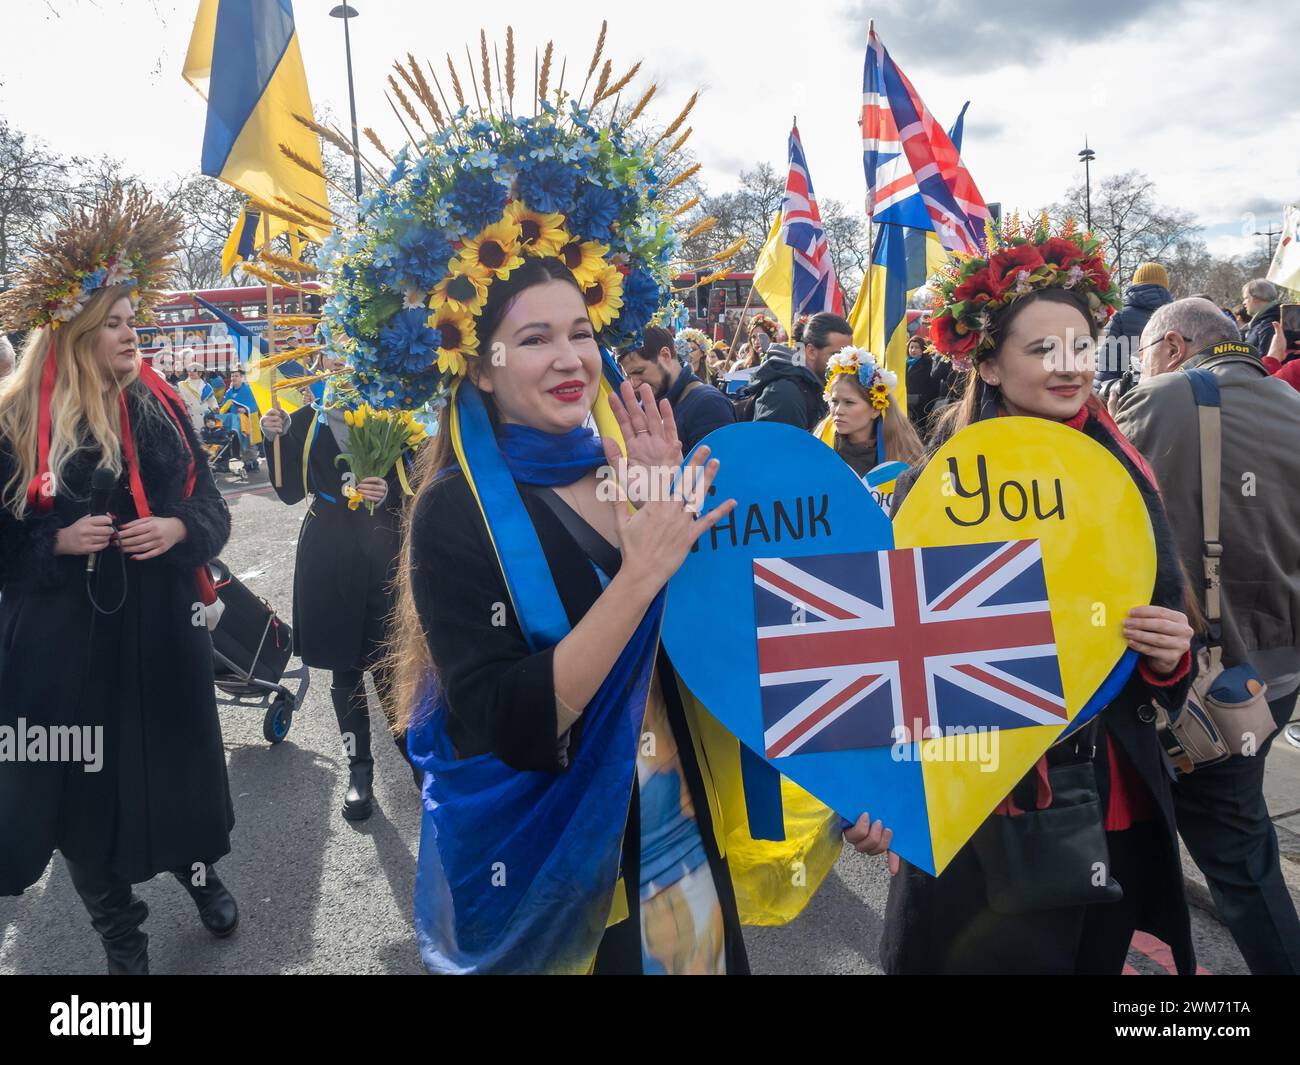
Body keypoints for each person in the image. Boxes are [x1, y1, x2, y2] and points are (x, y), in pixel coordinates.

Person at [310, 38, 884, 973]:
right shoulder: (455, 512)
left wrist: (850, 770)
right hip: (556, 869)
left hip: (675, 830)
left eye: (581, 328)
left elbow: (734, 646)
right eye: (533, 337)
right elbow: (510, 720)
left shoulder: (631, 460)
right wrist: (646, 567)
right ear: (479, 361)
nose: (571, 356)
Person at [878, 216, 1197, 975]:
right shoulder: (939, 487)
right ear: (987, 364)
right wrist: (878, 790)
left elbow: (1167, 658)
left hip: (1109, 807)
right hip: (981, 811)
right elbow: (899, 659)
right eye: (1042, 349)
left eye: (1082, 347)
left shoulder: (1124, 474)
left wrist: (1166, 654)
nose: (1070, 366)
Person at [0, 187, 237, 974]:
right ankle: (122, 938)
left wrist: (177, 529)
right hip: (62, 654)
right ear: (75, 334)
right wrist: (53, 540)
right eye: (117, 322)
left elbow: (209, 507)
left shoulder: (160, 405)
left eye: (135, 320)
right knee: (79, 803)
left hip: (158, 636)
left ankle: (202, 878)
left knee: (174, 779)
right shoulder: (14, 419)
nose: (134, 333)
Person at [1116, 297, 1300, 974]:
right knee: (1233, 838)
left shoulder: (1159, 400)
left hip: (1186, 678)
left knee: (1214, 851)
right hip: (1274, 678)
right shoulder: (1291, 402)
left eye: (1141, 356)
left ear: (1170, 347)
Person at [259, 358, 404, 822]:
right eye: (332, 357)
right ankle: (359, 769)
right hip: (329, 551)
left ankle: (421, 763)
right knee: (345, 669)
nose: (343, 366)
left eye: (353, 354)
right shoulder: (304, 419)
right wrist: (272, 436)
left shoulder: (395, 415)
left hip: (385, 550)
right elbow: (285, 492)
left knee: (393, 665)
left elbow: (422, 481)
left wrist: (393, 494)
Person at [616, 325, 735, 454]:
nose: (633, 384)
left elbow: (721, 470)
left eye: (639, 371)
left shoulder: (709, 404)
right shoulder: (648, 402)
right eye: (628, 376)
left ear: (665, 355)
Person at [815, 346, 923, 478]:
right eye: (834, 401)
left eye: (849, 402)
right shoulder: (819, 444)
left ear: (876, 409)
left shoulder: (903, 453)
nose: (838, 411)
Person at [741, 310, 852, 429]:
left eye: (848, 354)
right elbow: (783, 446)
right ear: (811, 352)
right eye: (837, 354)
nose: (845, 362)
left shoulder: (814, 385)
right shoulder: (784, 395)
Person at [1098, 260, 1173, 382]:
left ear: (1135, 284)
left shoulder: (1120, 316)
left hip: (1126, 392)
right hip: (1166, 391)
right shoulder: (1177, 317)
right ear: (1165, 285)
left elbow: (1107, 364)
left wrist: (1106, 394)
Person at [1241, 278, 1283, 354]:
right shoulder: (1261, 323)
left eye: (1246, 298)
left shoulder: (1270, 325)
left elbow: (1264, 361)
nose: (1243, 303)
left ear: (1256, 298)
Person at [177, 359, 216, 431]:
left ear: (200, 373)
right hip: (190, 415)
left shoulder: (207, 386)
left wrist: (215, 408)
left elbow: (212, 401)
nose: (191, 372)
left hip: (204, 417)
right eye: (189, 370)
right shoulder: (181, 385)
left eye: (194, 370)